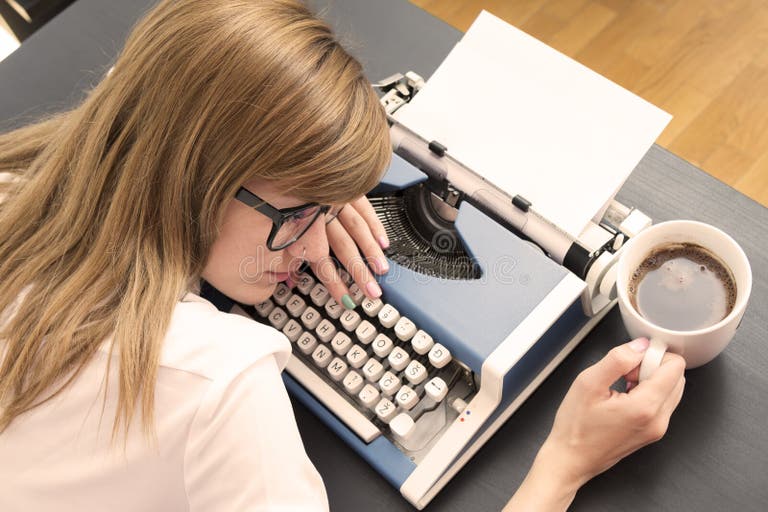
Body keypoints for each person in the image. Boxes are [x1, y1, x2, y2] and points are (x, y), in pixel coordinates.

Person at [0, 0, 686, 510]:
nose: (309, 245)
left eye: (331, 208)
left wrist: (314, 188)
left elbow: (150, 85)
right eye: (297, 214)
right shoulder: (223, 384)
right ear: (196, 174)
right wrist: (564, 462)